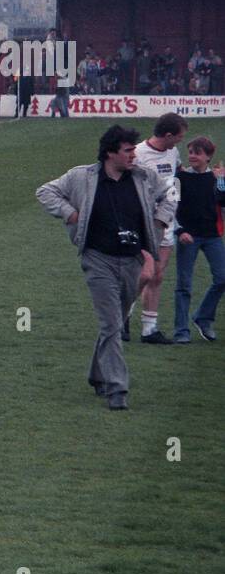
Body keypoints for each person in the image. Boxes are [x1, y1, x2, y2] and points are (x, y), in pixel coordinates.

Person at [36, 125, 176, 410]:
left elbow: (170, 196)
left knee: (113, 320)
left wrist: (160, 222)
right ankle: (117, 389)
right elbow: (45, 192)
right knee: (113, 323)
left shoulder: (143, 176)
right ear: (110, 152)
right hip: (98, 259)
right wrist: (70, 213)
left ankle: (97, 374)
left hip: (133, 259)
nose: (133, 155)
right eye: (128, 150)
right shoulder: (82, 176)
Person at [132, 112, 187, 343]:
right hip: (144, 221)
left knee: (158, 276)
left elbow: (178, 175)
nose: (181, 141)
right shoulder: (137, 154)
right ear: (168, 135)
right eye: (179, 137)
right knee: (144, 274)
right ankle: (122, 314)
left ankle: (149, 329)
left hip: (167, 219)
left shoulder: (172, 152)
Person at [172, 136, 225, 342]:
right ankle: (181, 331)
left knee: (222, 278)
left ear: (208, 156)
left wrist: (220, 179)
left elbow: (222, 201)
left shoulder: (217, 178)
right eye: (191, 152)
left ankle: (203, 317)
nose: (193, 156)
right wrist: (179, 231)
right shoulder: (179, 177)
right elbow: (171, 207)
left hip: (212, 236)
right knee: (183, 285)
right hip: (188, 236)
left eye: (198, 153)